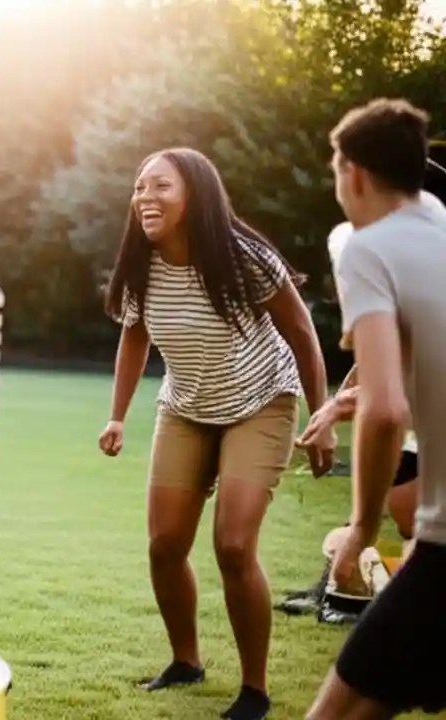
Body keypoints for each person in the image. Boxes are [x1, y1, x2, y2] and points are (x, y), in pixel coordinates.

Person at [97, 147, 333, 720]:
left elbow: (301, 332)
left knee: (232, 545)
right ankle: (186, 661)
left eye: (160, 187)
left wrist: (321, 418)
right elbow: (135, 335)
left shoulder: (242, 257)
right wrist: (117, 415)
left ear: (194, 195)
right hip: (186, 406)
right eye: (138, 188)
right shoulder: (141, 261)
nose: (145, 198)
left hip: (261, 401)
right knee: (165, 545)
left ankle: (255, 689)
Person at [306, 98, 446, 720]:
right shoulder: (437, 223)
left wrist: (361, 528)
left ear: (353, 173)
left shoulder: (366, 249)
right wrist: (351, 399)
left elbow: (388, 410)